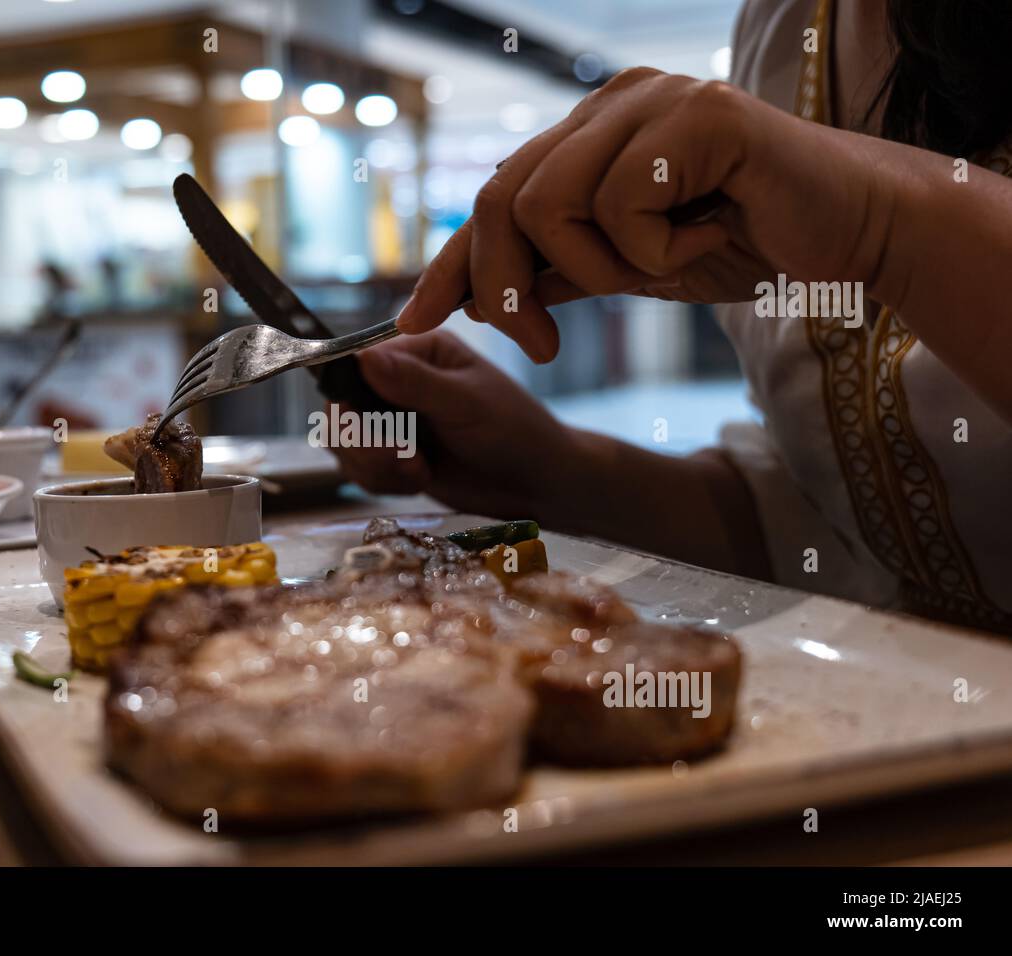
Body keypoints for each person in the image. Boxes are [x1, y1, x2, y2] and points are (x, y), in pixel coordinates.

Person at [332, 0, 1012, 633]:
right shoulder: (787, 23)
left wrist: (881, 223)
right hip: (891, 723)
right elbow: (826, 523)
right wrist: (551, 469)